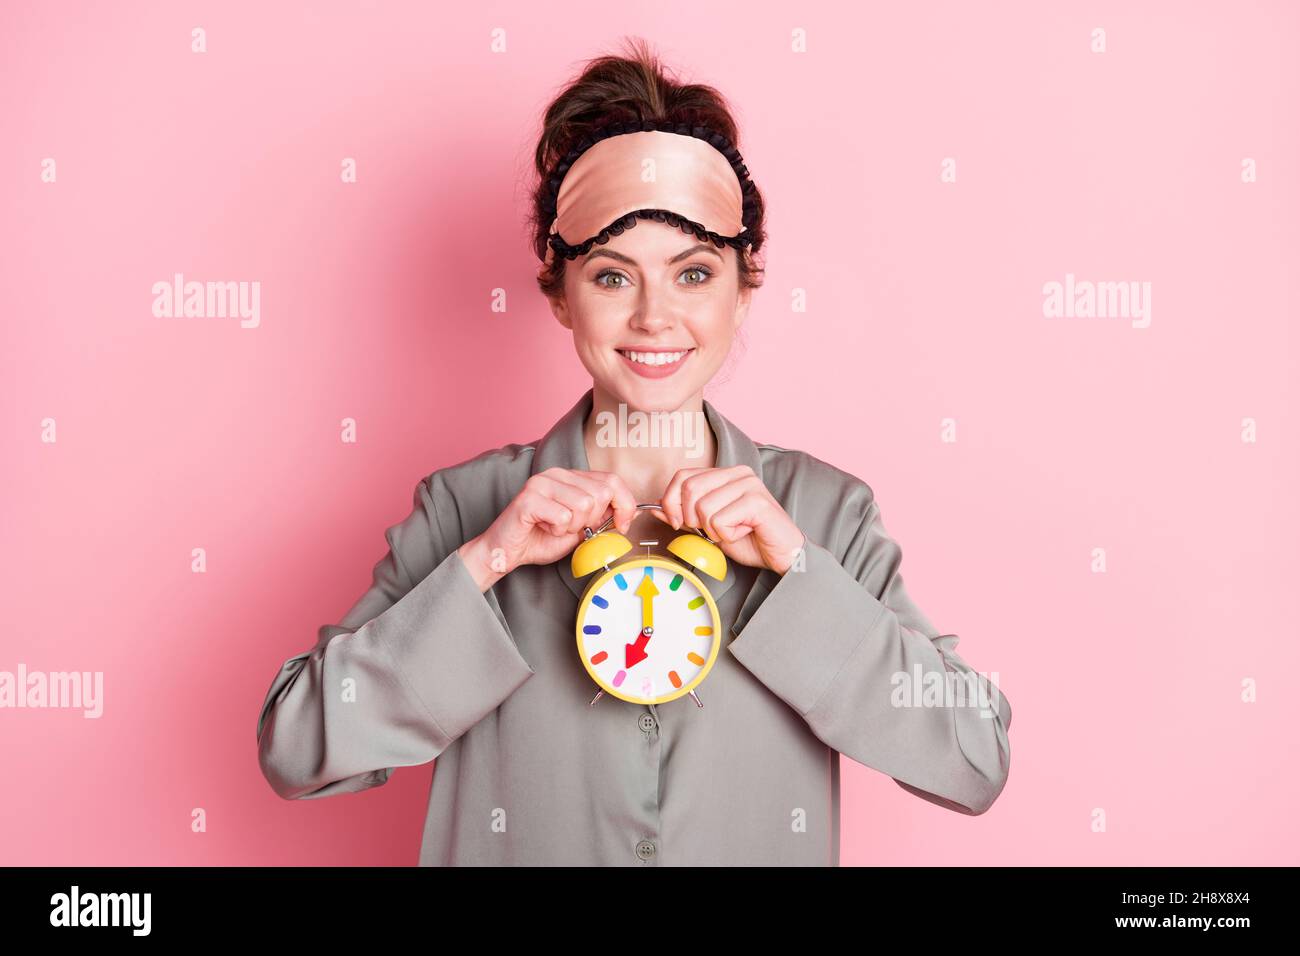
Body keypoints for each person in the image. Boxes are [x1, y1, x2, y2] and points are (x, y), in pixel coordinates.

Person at [255, 39, 1011, 866]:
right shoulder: (467, 508)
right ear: (558, 290)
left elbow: (973, 763)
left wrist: (797, 572)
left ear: (744, 285)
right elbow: (297, 752)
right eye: (614, 277)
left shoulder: (827, 513)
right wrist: (487, 562)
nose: (655, 318)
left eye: (693, 274)